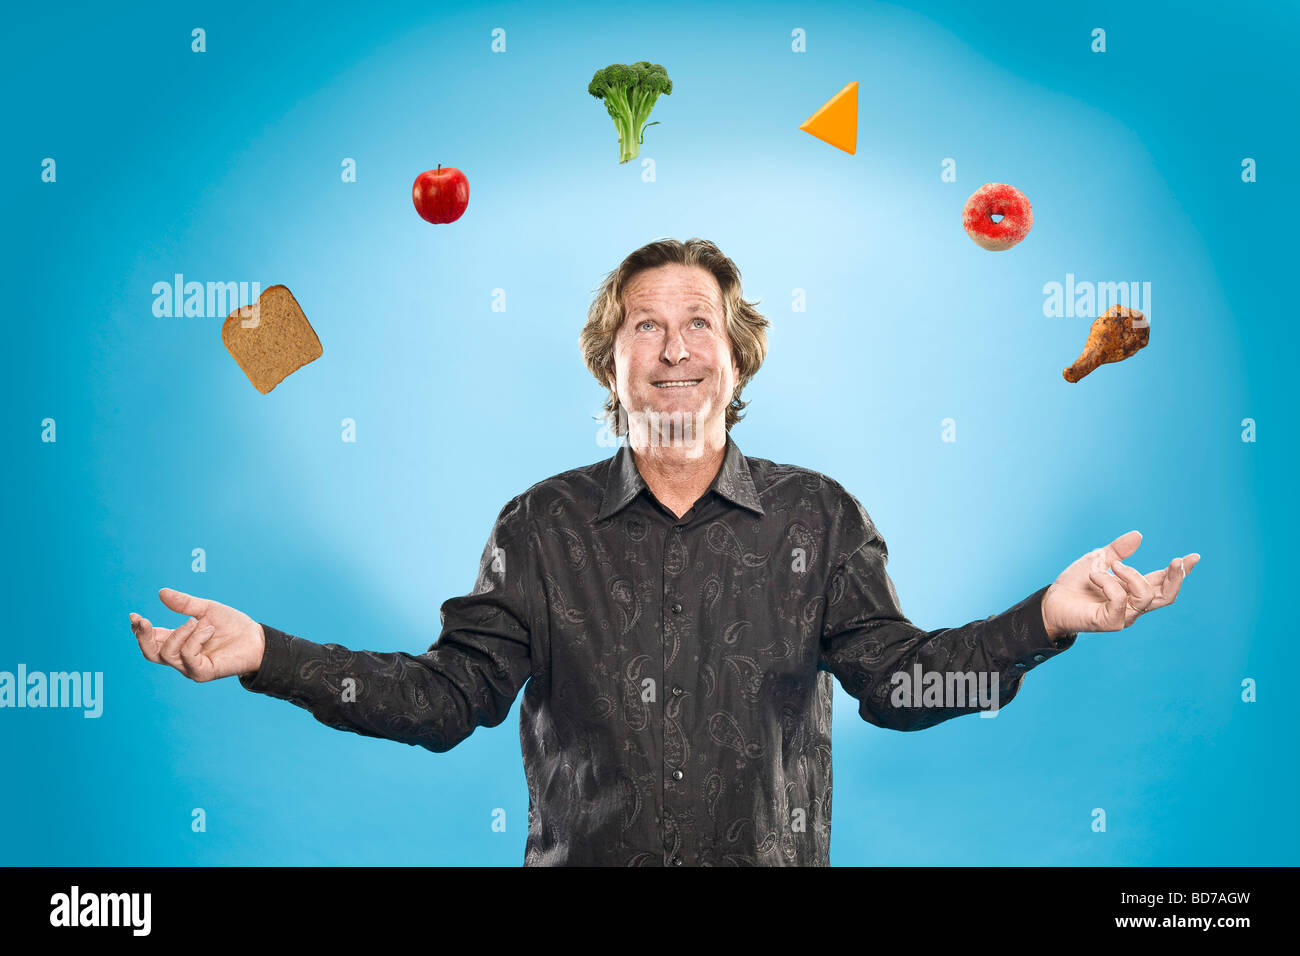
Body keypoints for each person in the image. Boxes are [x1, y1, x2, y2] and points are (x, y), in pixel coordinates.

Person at [130, 237, 1200, 866]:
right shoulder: (537, 526)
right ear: (611, 364)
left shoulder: (818, 516)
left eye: (698, 323)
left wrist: (1048, 620)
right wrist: (267, 650)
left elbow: (897, 683)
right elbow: (446, 701)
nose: (676, 346)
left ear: (737, 357)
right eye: (645, 326)